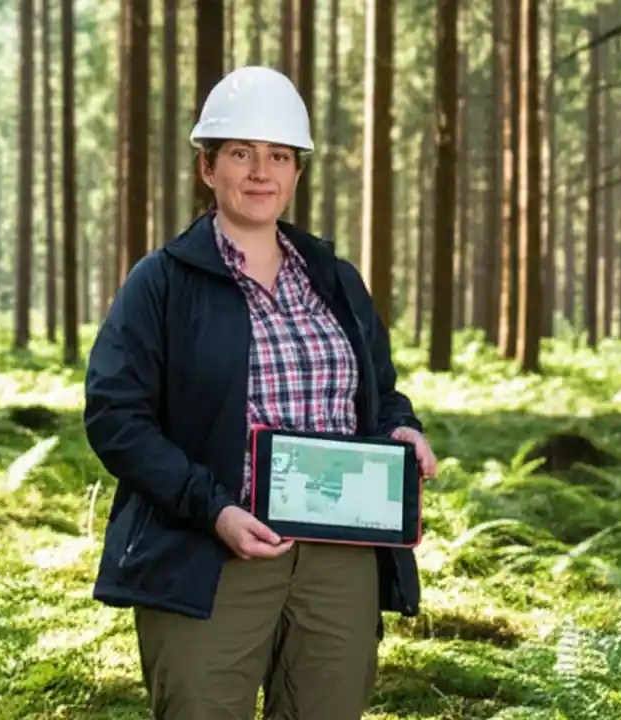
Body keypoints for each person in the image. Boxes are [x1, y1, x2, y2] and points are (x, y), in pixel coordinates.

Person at [82, 65, 438, 720]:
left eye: (278, 156)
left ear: (297, 172)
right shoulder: (161, 283)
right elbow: (115, 416)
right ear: (208, 167)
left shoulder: (334, 279)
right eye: (241, 153)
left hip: (340, 557)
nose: (260, 171)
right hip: (210, 550)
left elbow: (381, 393)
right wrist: (211, 507)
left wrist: (401, 430)